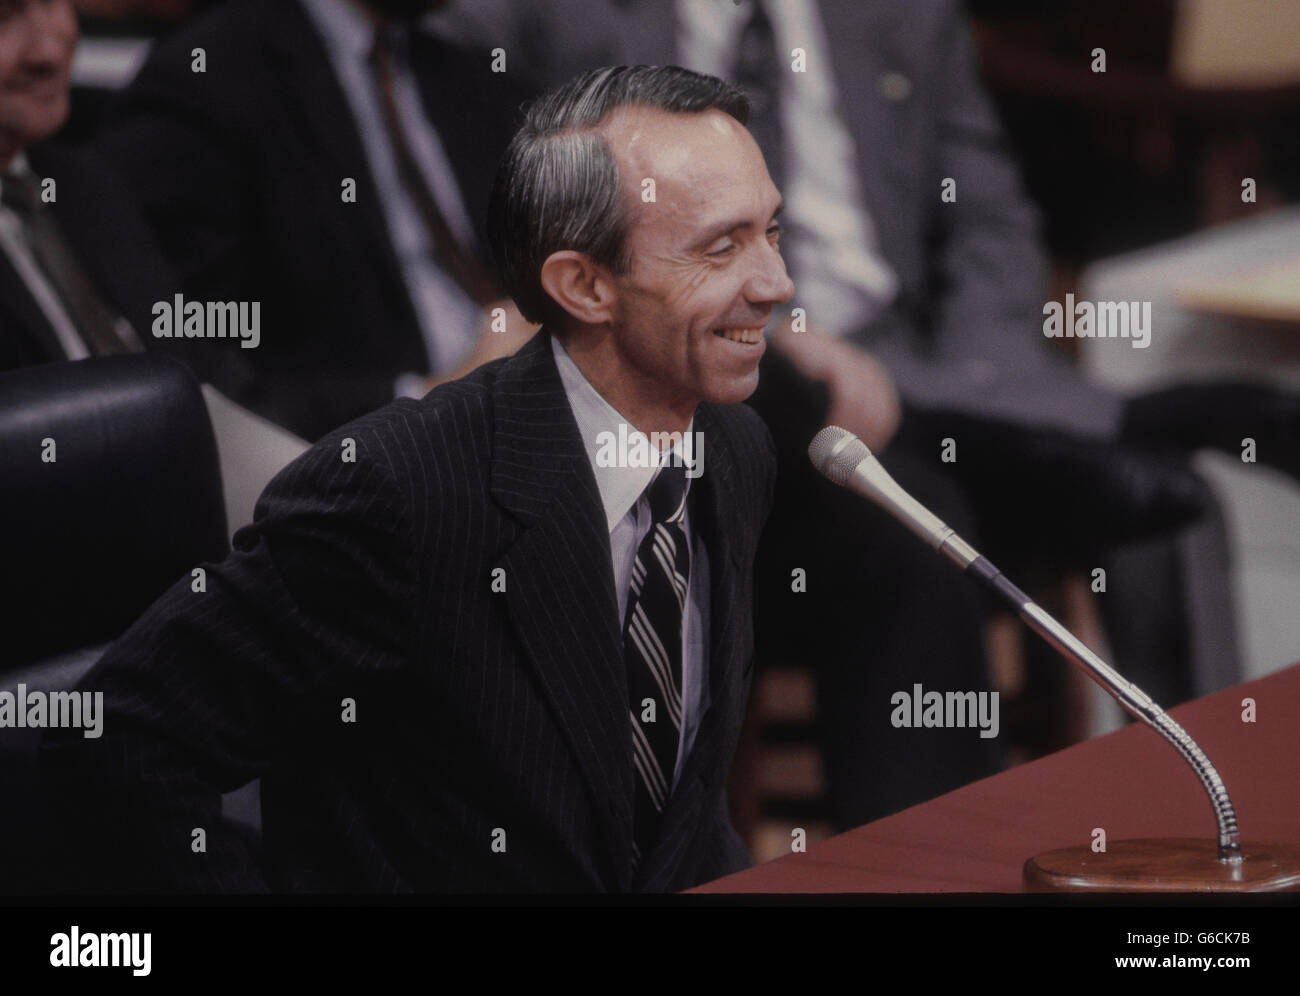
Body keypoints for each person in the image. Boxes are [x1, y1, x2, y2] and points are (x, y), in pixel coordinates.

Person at [40, 64, 787, 893]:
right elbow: (119, 740)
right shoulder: (400, 492)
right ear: (583, 285)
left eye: (772, 233)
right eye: (723, 247)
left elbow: (672, 813)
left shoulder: (735, 447)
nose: (775, 286)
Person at [95, 0, 536, 442]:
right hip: (385, 454)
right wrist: (430, 397)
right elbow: (206, 375)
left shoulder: (462, 69)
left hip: (529, 401)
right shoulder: (205, 80)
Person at [0, 0, 174, 370]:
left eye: (52, 1)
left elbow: (204, 369)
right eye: (2, 17)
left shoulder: (86, 179)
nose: (49, 51)